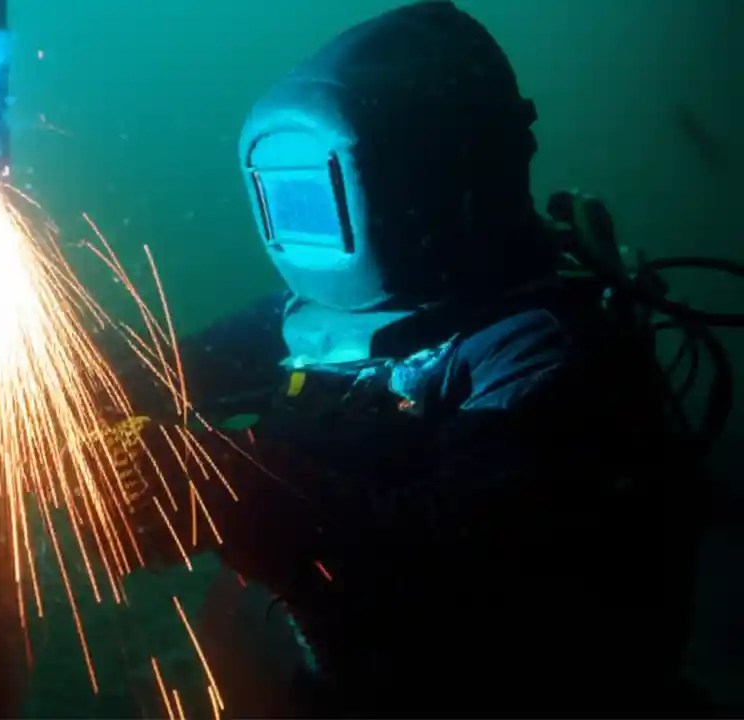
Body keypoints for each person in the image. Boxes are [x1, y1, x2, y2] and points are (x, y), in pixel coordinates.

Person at [105, 1, 717, 715]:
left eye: (320, 202)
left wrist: (224, 490)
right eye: (292, 204)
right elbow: (169, 369)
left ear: (427, 183)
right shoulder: (317, 319)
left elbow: (448, 580)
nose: (307, 236)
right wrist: (90, 390)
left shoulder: (547, 360)